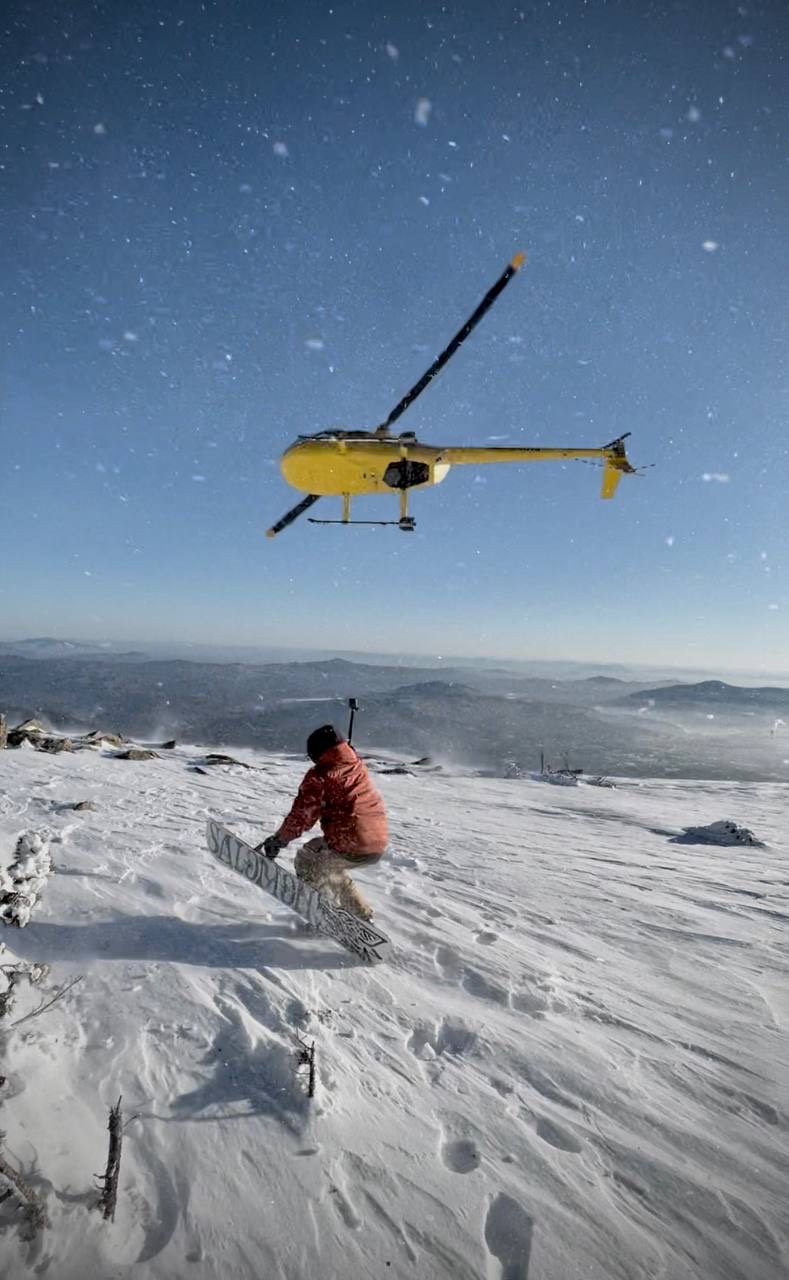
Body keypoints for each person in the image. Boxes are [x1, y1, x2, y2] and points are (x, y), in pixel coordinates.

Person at [257, 724, 388, 920]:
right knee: (317, 853)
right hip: (377, 840)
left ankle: (328, 911)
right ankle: (355, 914)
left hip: (351, 841)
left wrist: (279, 840)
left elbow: (302, 815)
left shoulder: (320, 776)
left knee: (307, 861)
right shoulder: (356, 764)